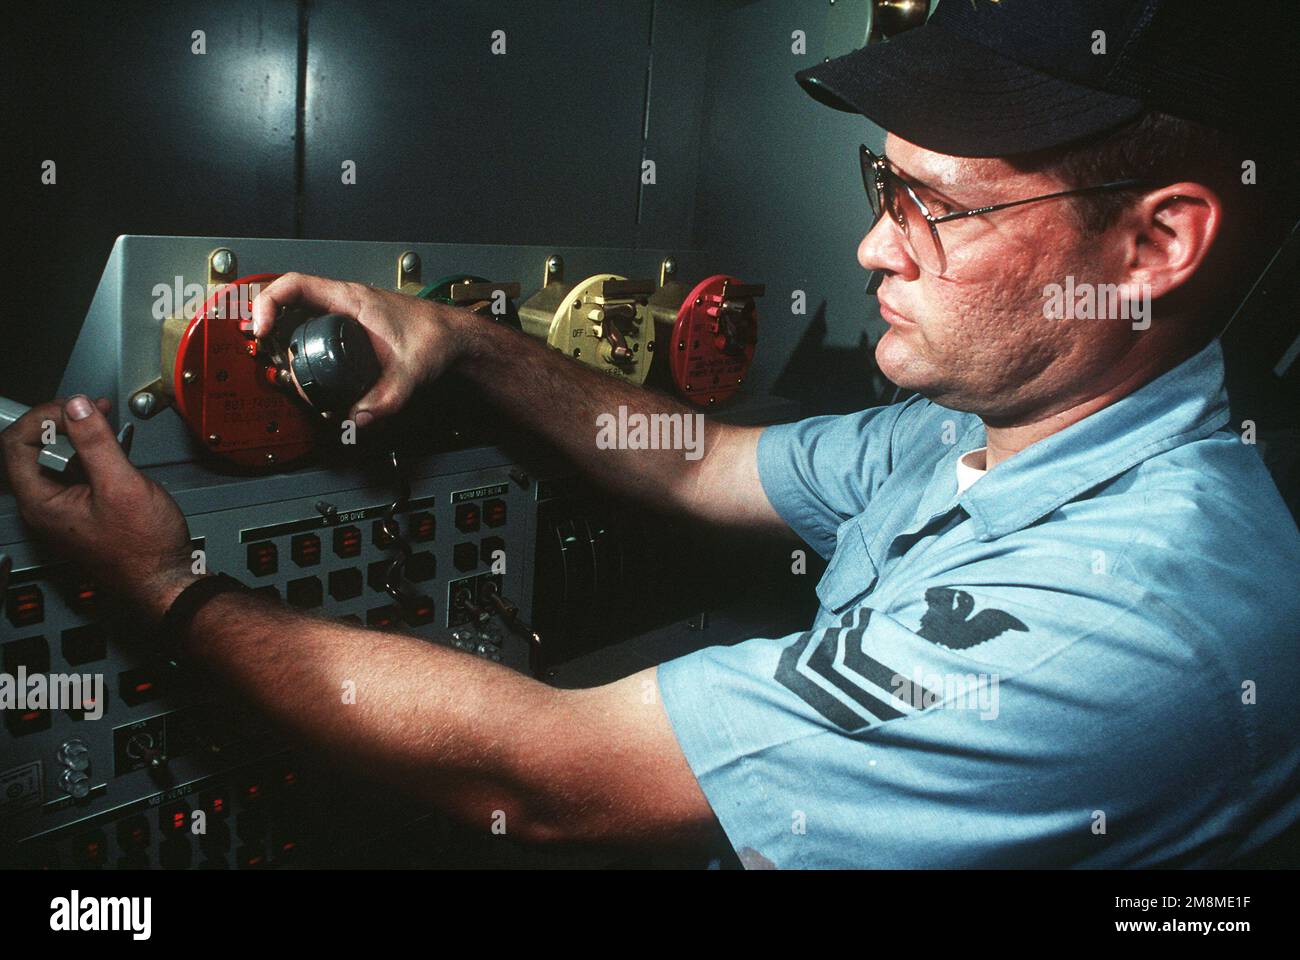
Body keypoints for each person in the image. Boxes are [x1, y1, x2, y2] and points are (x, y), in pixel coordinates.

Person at [4, 0, 1298, 867]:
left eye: (932, 209)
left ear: (1153, 244)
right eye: (876, 183)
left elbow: (559, 776)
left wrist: (162, 589)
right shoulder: (979, 425)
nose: (867, 246)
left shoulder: (1134, 615)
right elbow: (702, 462)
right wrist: (461, 339)